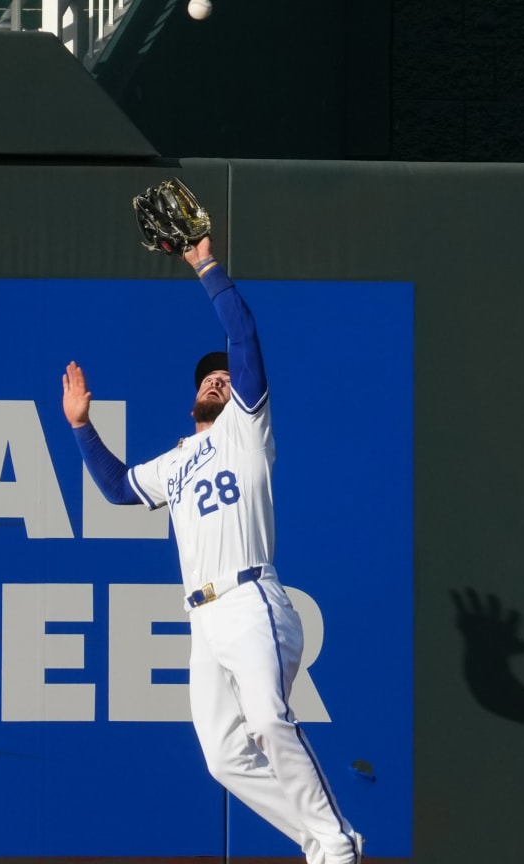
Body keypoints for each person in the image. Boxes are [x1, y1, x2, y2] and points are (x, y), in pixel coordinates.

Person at [62, 236, 362, 864]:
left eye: (224, 378)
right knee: (224, 757)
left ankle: (336, 844)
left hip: (252, 598)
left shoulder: (246, 431)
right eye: (209, 379)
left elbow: (244, 337)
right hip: (203, 619)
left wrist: (205, 266)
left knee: (270, 720)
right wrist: (81, 426)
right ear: (194, 395)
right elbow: (118, 488)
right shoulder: (174, 463)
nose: (218, 380)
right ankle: (318, 841)